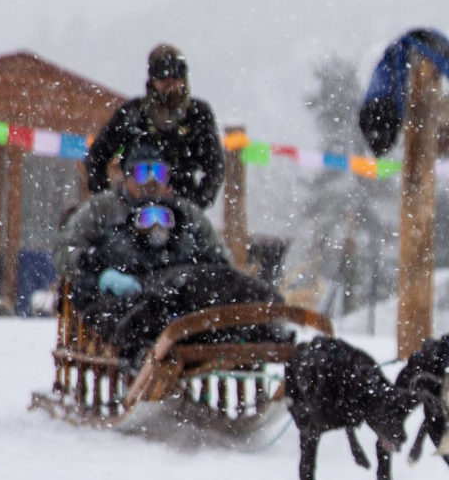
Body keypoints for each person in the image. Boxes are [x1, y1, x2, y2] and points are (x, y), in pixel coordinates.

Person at [55, 142, 281, 369]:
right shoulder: (102, 210)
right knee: (158, 305)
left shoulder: (184, 213)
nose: (152, 181)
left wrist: (211, 268)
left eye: (160, 173)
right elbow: (66, 250)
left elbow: (217, 254)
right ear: (126, 177)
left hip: (183, 285)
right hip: (139, 291)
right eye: (142, 173)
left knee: (219, 287)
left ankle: (266, 323)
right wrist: (96, 271)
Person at [83, 43, 225, 208]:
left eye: (176, 73)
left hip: (180, 208)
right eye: (162, 73)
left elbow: (215, 167)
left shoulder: (198, 115)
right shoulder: (132, 114)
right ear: (152, 78)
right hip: (134, 208)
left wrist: (194, 207)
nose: (170, 80)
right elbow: (96, 157)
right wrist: (110, 204)